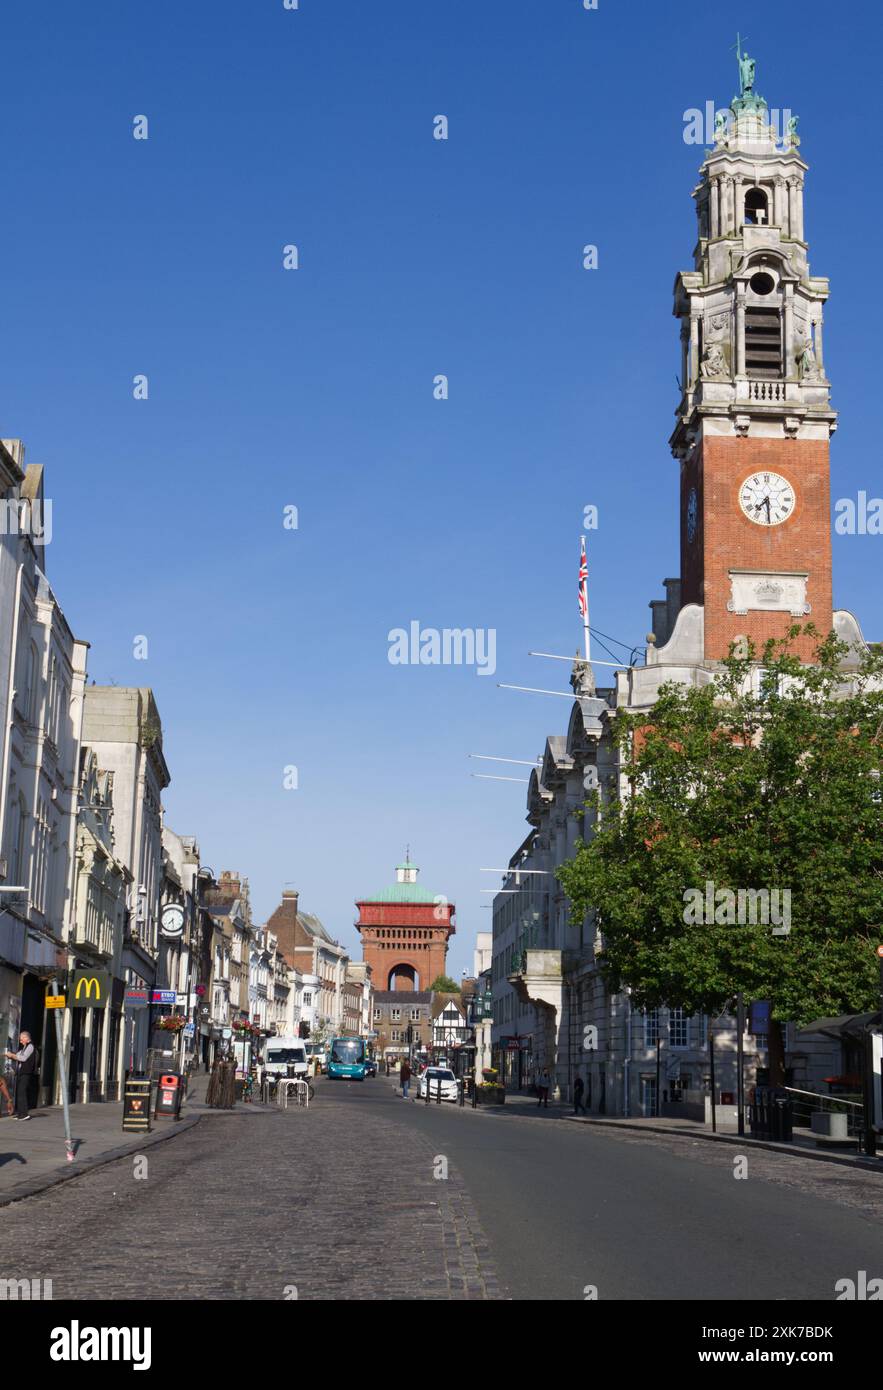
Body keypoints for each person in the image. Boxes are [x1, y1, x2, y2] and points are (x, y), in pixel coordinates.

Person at [5, 1031, 36, 1119]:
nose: (20, 1041)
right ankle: (20, 1114)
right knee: (19, 1093)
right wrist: (10, 1055)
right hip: (21, 1073)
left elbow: (23, 1058)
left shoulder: (30, 1046)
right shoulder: (24, 1047)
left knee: (22, 1092)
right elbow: (17, 1055)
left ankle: (25, 1114)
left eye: (21, 1039)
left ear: (26, 1038)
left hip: (26, 1073)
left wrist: (12, 1056)